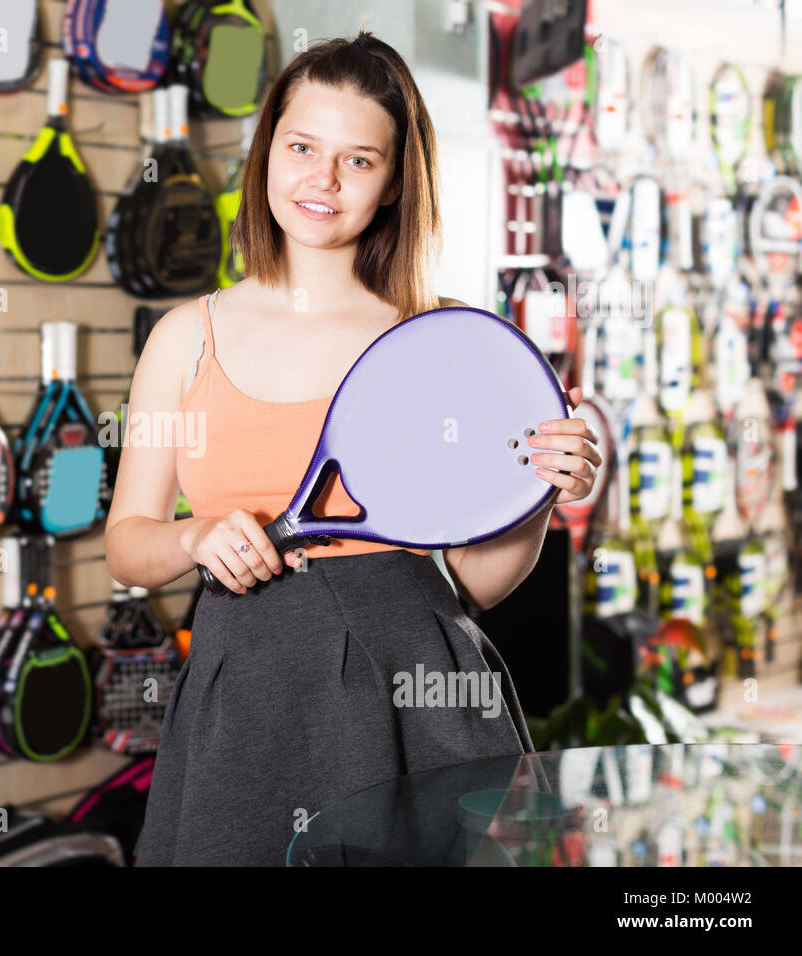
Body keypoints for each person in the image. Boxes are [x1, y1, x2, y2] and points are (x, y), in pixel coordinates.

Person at [103, 32, 600, 866]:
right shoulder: (186, 338)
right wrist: (194, 537)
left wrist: (541, 489)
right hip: (245, 686)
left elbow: (476, 579)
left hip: (420, 687)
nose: (322, 180)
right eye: (302, 147)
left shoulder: (441, 338)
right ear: (268, 153)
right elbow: (129, 542)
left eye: (359, 160)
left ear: (396, 181)